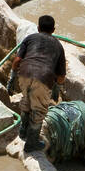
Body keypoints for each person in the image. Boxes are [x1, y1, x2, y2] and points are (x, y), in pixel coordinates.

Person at [10, 14, 66, 153]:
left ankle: (23, 131)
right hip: (43, 77)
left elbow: (17, 61)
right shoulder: (58, 46)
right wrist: (57, 87)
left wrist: (12, 77)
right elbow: (61, 75)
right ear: (53, 30)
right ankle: (31, 143)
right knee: (39, 109)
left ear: (38, 28)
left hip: (24, 73)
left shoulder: (30, 38)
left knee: (27, 100)